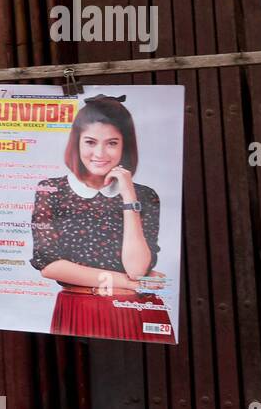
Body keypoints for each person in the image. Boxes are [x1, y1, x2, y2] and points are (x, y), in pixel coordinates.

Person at [29, 94, 173, 341]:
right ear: (76, 143)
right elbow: (50, 266)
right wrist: (130, 283)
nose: (100, 153)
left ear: (125, 146)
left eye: (112, 143)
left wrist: (129, 195)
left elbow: (137, 268)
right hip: (79, 308)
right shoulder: (51, 190)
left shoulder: (145, 195)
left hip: (136, 311)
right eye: (90, 142)